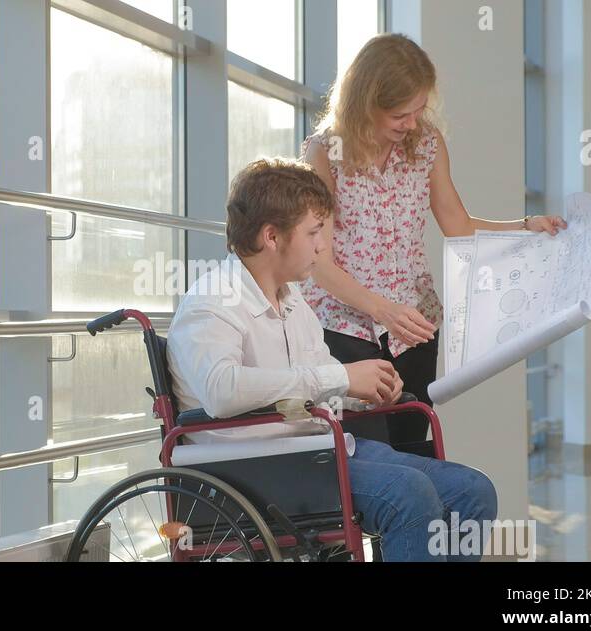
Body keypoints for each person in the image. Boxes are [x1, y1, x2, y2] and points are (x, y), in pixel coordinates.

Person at [166, 157, 497, 561]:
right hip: (258, 467)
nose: (324, 246)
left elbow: (322, 383)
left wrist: (367, 392)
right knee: (409, 495)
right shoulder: (212, 301)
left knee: (473, 491)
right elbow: (221, 391)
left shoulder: (293, 301)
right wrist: (341, 377)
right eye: (314, 232)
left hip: (317, 448)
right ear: (272, 236)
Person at [300, 34, 567, 444]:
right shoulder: (325, 152)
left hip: (415, 329)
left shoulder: (426, 145)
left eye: (419, 110)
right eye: (399, 115)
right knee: (360, 459)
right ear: (367, 103)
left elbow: (458, 225)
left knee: (410, 448)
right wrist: (383, 310)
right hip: (342, 329)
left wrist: (525, 226)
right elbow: (319, 262)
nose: (411, 123)